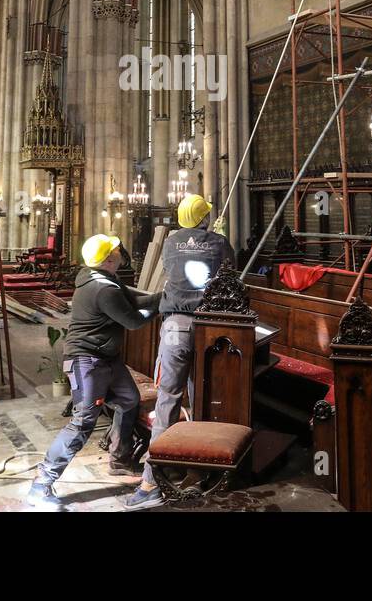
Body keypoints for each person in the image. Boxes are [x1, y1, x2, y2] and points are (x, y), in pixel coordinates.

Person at [26, 234, 161, 511]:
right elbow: (135, 321)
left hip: (107, 359)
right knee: (82, 423)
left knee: (127, 400)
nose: (121, 251)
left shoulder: (98, 277)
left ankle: (119, 460)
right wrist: (163, 307)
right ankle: (41, 483)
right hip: (86, 362)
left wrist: (167, 296)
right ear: (110, 258)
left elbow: (137, 299)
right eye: (117, 249)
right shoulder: (103, 289)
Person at [124, 195, 235, 510]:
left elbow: (178, 269)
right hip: (208, 330)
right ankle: (197, 473)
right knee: (201, 400)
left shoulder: (171, 241)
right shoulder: (218, 241)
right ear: (204, 219)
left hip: (174, 328)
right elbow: (230, 274)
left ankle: (149, 483)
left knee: (167, 401)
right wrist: (218, 239)